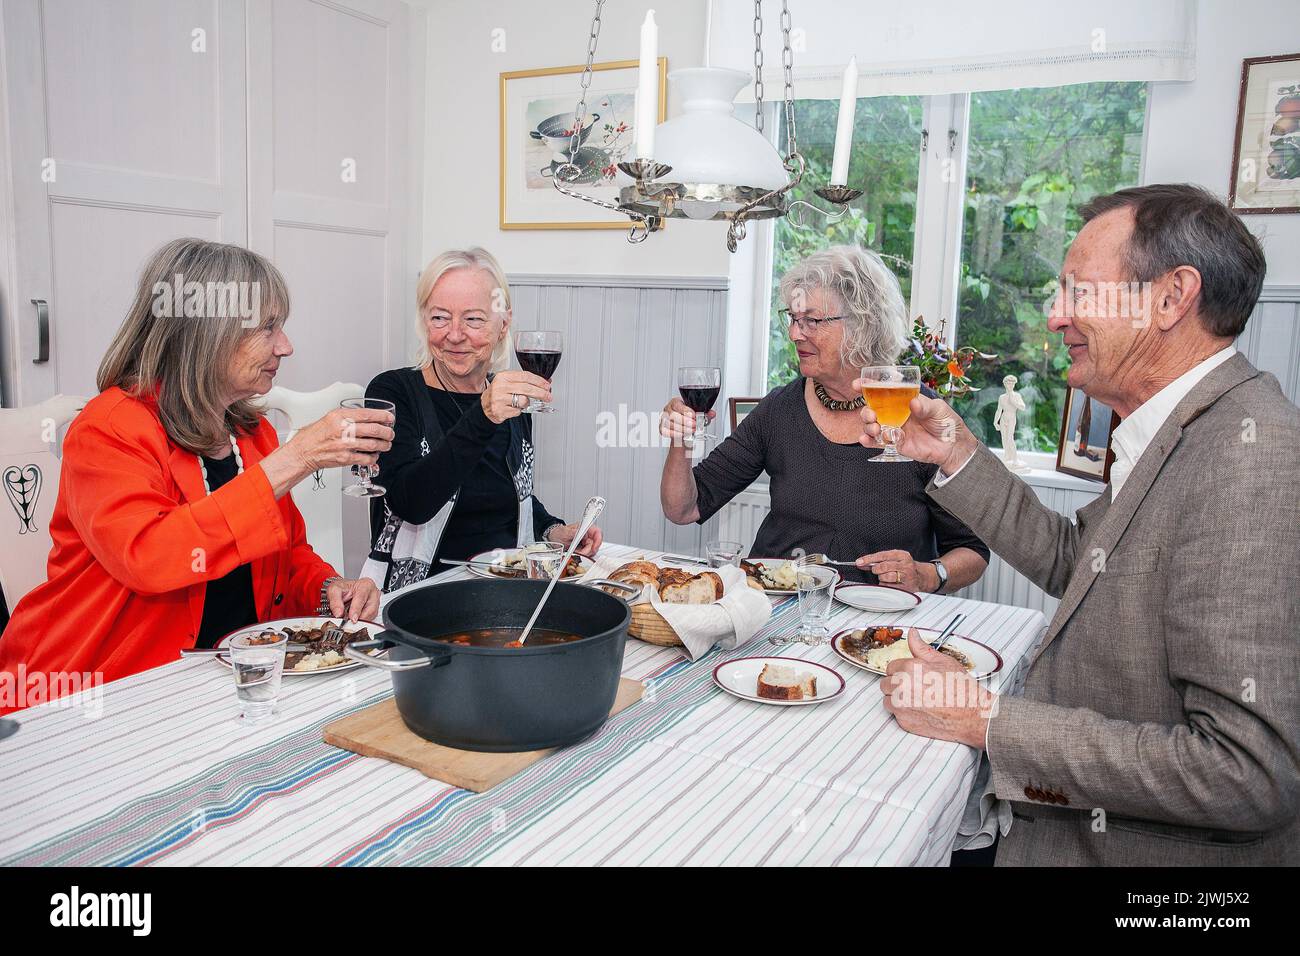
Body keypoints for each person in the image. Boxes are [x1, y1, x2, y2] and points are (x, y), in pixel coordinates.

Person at [859, 184, 1299, 865]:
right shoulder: (1176, 430)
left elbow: (1246, 773)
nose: (1055, 317)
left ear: (1170, 297)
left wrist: (985, 720)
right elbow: (1081, 563)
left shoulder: (1251, 457)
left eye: (1077, 291)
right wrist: (956, 451)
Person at [0, 238, 393, 709]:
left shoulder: (251, 431)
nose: (285, 346)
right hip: (102, 691)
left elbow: (285, 554)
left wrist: (329, 588)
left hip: (223, 679)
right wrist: (296, 458)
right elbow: (151, 557)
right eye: (268, 327)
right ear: (208, 333)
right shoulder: (107, 430)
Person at [660, 245, 988, 592]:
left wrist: (928, 574)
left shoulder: (922, 416)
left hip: (875, 620)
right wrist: (681, 441)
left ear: (862, 325)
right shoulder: (780, 409)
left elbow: (973, 549)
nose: (794, 334)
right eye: (793, 318)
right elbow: (683, 509)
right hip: (776, 603)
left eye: (811, 321)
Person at [362, 248, 599, 591]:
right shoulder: (393, 392)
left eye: (473, 319)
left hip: (508, 586)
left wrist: (555, 531)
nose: (455, 334)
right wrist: (484, 415)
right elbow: (410, 503)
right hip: (421, 592)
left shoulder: (507, 396)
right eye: (440, 317)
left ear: (503, 325)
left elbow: (510, 494)